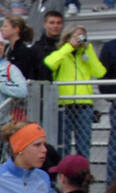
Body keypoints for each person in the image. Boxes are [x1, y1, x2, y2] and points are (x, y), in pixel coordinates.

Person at [44, 25, 107, 156]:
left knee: (84, 145)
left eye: (82, 36)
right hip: (64, 104)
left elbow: (100, 72)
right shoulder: (62, 52)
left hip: (84, 104)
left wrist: (88, 50)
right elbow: (49, 63)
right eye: (77, 36)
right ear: (68, 37)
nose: (80, 39)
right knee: (63, 144)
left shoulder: (85, 54)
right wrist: (69, 47)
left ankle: (83, 174)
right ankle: (63, 174)